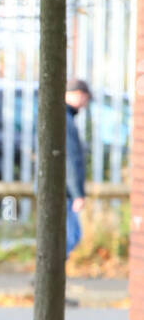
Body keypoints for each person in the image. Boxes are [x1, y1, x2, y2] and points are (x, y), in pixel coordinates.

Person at [65, 78, 90, 262]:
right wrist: (77, 194)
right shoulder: (65, 122)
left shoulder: (65, 119)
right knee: (70, 235)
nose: (85, 104)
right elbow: (70, 161)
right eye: (85, 98)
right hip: (64, 192)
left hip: (63, 190)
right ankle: (48, 278)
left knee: (68, 235)